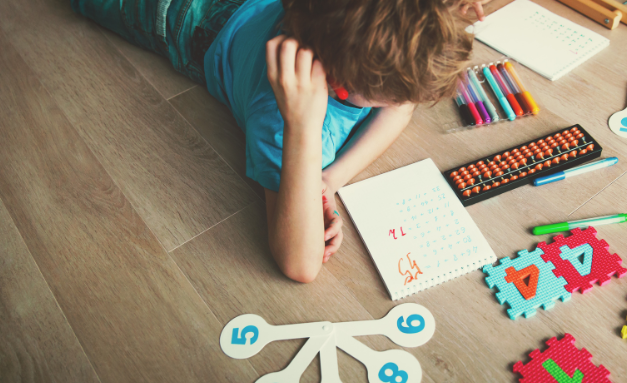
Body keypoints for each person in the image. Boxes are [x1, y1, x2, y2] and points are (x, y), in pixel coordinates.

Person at [71, 0, 489, 283]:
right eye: (394, 96)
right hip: (180, 17)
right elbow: (300, 265)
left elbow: (400, 107)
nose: (403, 104)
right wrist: (302, 131)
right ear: (341, 83)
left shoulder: (334, 19)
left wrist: (330, 178)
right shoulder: (286, 119)